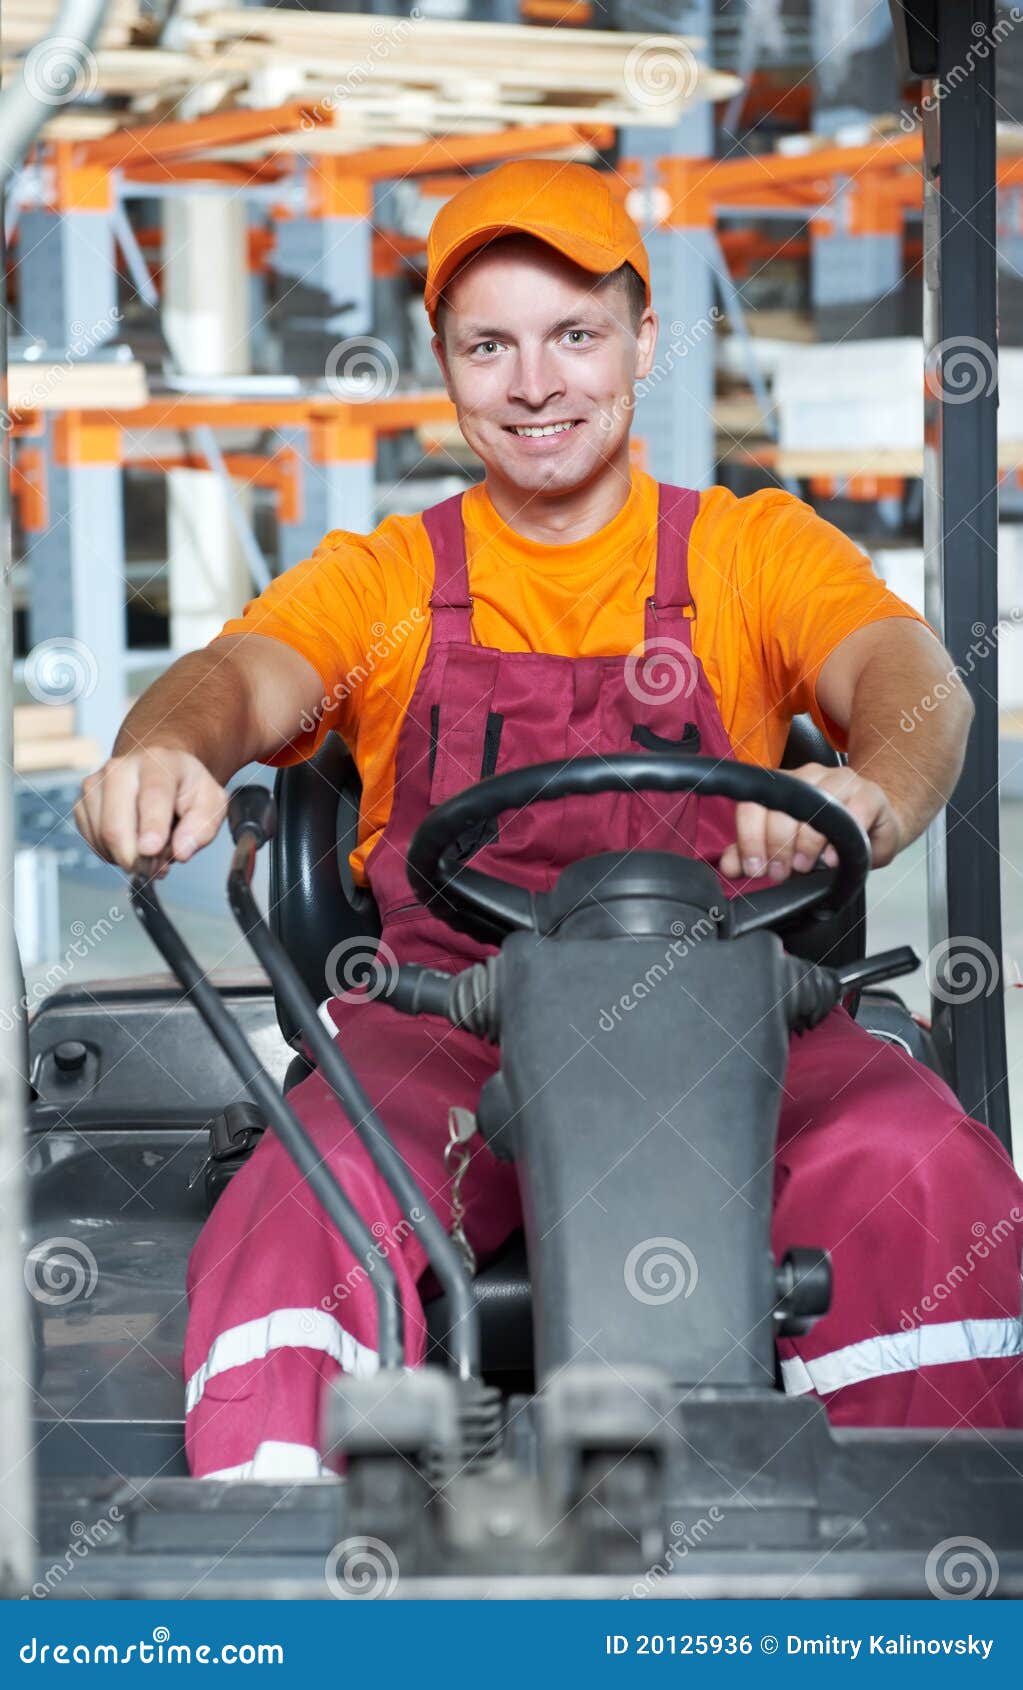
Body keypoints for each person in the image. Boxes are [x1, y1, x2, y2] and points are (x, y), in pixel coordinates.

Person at [75, 159, 1023, 1480]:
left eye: (575, 335)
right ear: (446, 365)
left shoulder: (754, 552)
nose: (534, 384)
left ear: (642, 340)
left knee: (917, 1165)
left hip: (745, 1010)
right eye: (490, 346)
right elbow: (241, 677)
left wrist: (870, 787)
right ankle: (283, 1564)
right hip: (456, 1024)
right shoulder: (388, 582)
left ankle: (923, 1561)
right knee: (308, 1198)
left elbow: (914, 686)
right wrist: (167, 744)